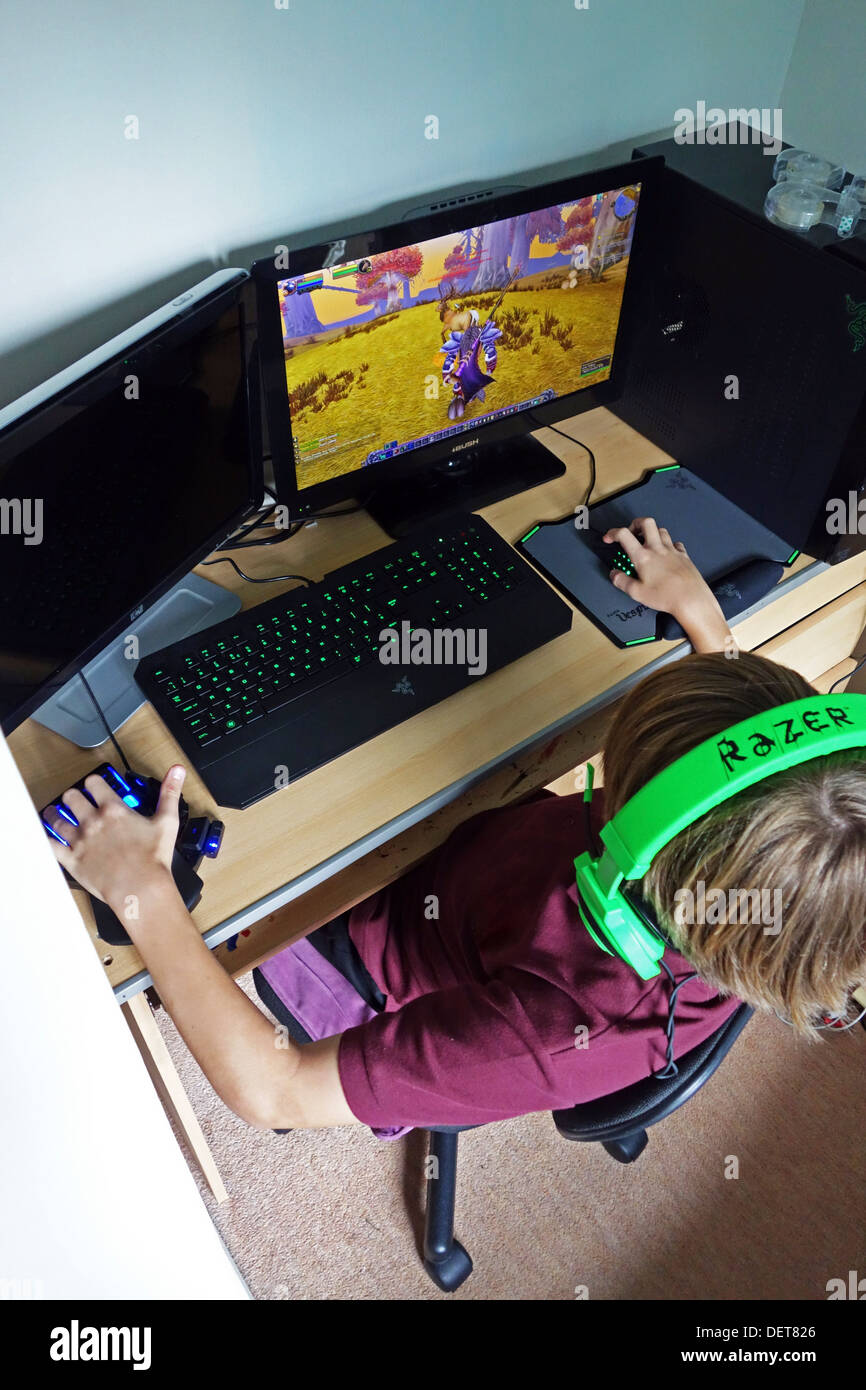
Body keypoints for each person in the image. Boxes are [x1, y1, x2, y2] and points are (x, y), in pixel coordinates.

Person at [46, 519, 866, 1135]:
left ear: (633, 855)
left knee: (195, 885)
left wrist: (145, 894)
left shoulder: (559, 1033)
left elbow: (274, 1090)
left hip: (368, 957)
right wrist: (707, 630)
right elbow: (756, 770)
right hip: (490, 866)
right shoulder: (792, 884)